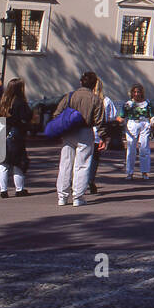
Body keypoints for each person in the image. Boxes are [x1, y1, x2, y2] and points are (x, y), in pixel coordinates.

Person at [52, 72, 106, 207]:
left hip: (69, 131)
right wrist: (103, 136)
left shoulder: (69, 96)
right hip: (85, 131)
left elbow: (57, 113)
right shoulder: (95, 99)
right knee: (82, 164)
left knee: (65, 163)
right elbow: (100, 120)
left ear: (81, 82)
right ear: (94, 85)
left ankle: (62, 196)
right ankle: (78, 196)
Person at [0, 78, 32, 198]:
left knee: (2, 163)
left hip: (1, 131)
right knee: (18, 162)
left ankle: (3, 190)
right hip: (15, 133)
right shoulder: (20, 102)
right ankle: (19, 189)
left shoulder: (2, 101)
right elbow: (26, 117)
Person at [88, 84, 120, 194]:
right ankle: (90, 179)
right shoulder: (106, 100)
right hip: (98, 131)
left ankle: (80, 181)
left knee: (82, 157)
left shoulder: (86, 98)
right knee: (94, 158)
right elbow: (112, 116)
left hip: (85, 131)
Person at [122, 84, 154, 180]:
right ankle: (129, 172)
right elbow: (122, 115)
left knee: (144, 148)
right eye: (135, 92)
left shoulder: (147, 103)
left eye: (139, 92)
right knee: (131, 148)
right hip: (132, 124)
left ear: (142, 93)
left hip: (144, 123)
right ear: (132, 93)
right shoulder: (128, 104)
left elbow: (151, 115)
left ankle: (144, 172)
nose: (137, 94)